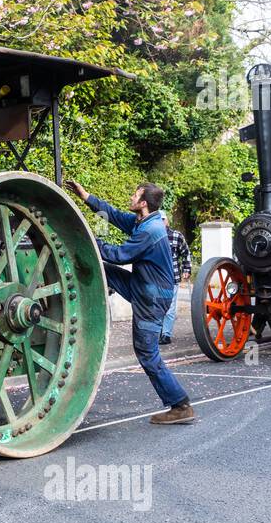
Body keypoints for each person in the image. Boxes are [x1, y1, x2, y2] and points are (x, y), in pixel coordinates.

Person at [64, 179, 195, 425]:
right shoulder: (142, 221)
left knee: (146, 352)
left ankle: (180, 405)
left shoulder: (150, 231)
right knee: (103, 270)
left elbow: (119, 255)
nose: (131, 198)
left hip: (152, 298)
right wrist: (86, 197)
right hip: (142, 286)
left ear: (143, 203)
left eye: (135, 195)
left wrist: (87, 240)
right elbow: (113, 215)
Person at [161, 212, 192, 345]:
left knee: (170, 307)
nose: (161, 222)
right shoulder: (150, 236)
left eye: (163, 219)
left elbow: (186, 253)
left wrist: (186, 269)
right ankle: (157, 333)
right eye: (158, 220)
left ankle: (166, 334)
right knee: (156, 306)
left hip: (172, 277)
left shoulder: (176, 236)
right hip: (154, 277)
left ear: (167, 221)